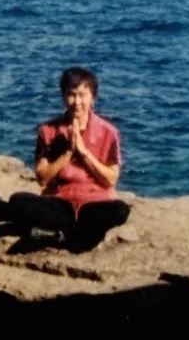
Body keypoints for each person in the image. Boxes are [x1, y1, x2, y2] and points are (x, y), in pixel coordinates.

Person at [8, 66, 131, 249]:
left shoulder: (109, 132)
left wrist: (84, 152)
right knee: (18, 201)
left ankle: (62, 234)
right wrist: (67, 152)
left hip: (95, 201)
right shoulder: (48, 131)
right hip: (60, 201)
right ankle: (76, 235)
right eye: (71, 95)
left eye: (83, 95)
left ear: (92, 98)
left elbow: (110, 179)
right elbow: (42, 178)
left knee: (121, 210)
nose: (77, 102)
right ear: (63, 97)